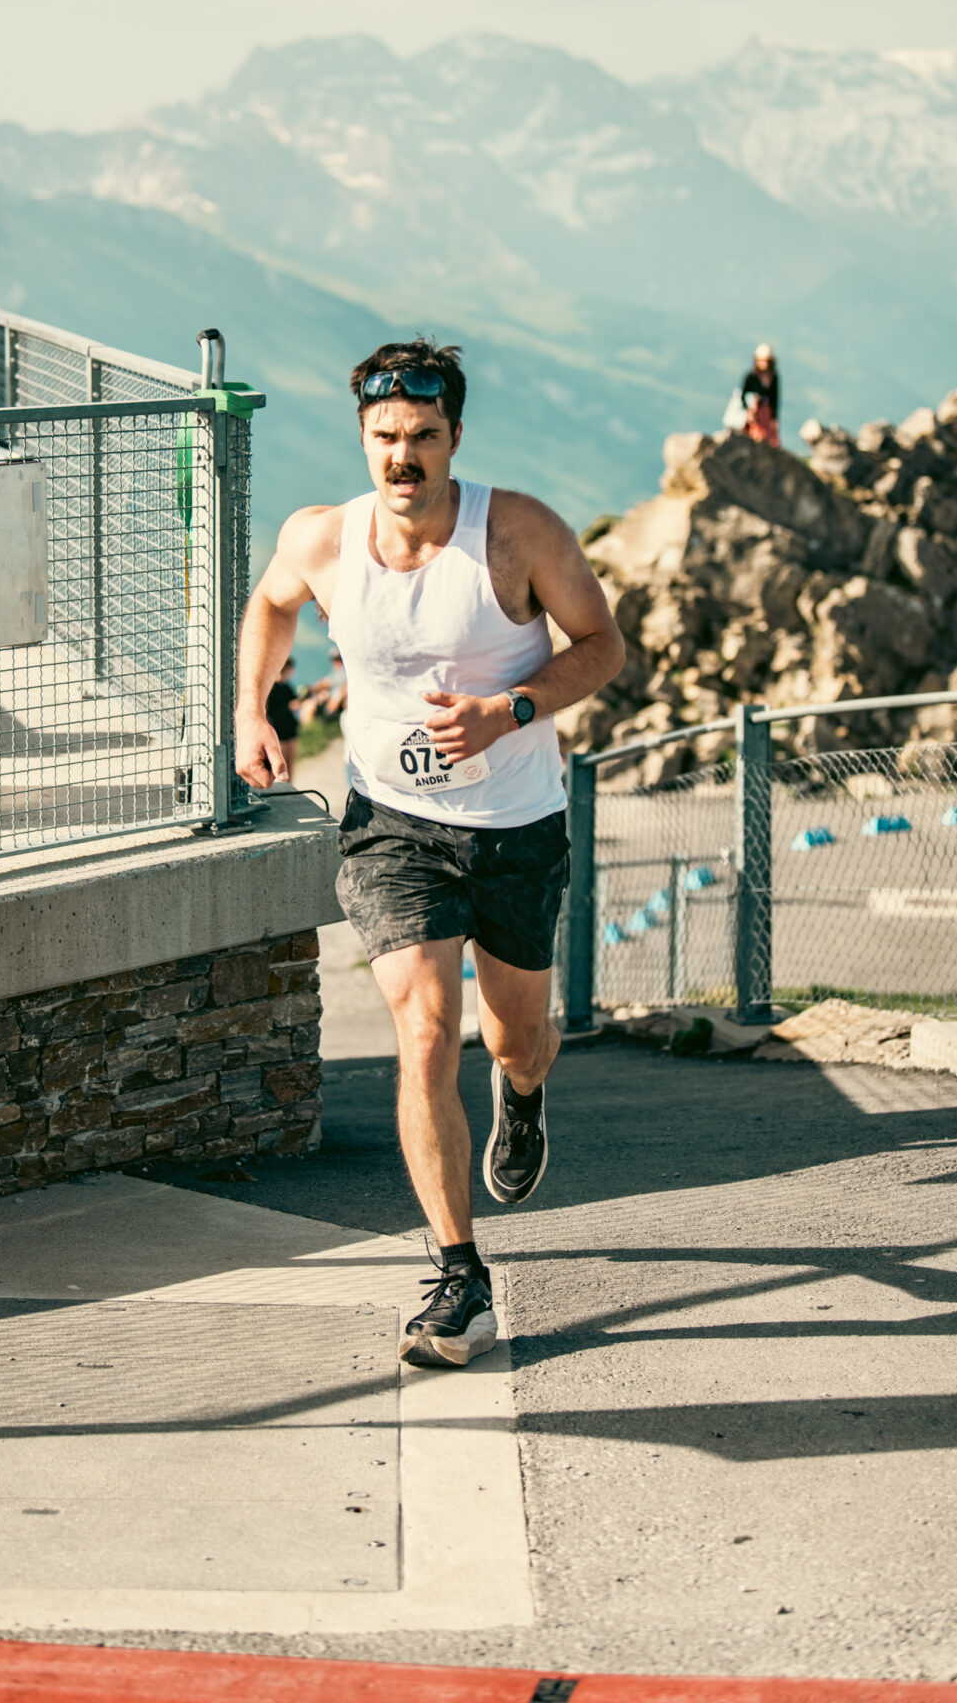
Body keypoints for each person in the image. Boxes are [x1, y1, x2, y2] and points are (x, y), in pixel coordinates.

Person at [235, 339, 624, 1368]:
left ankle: (526, 1091)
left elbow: (603, 644)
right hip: (390, 822)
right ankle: (461, 1274)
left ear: (455, 436)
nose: (400, 457)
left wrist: (512, 708)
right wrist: (251, 712)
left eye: (420, 437)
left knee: (511, 1037)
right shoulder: (323, 536)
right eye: (383, 437)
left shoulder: (519, 531)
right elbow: (272, 605)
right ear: (362, 436)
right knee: (423, 1028)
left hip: (515, 826)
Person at [266, 656, 301, 782]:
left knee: (290, 766)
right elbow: (272, 713)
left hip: (290, 729)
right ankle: (280, 791)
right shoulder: (272, 688)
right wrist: (289, 708)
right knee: (280, 767)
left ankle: (289, 790)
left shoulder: (287, 686)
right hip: (278, 731)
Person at [741, 342, 781, 448]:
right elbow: (743, 395)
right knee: (754, 436)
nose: (763, 363)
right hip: (754, 412)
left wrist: (774, 418)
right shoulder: (751, 377)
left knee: (770, 440)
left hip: (767, 413)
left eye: (766, 360)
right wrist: (747, 411)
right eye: (761, 360)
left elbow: (775, 399)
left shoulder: (774, 377)